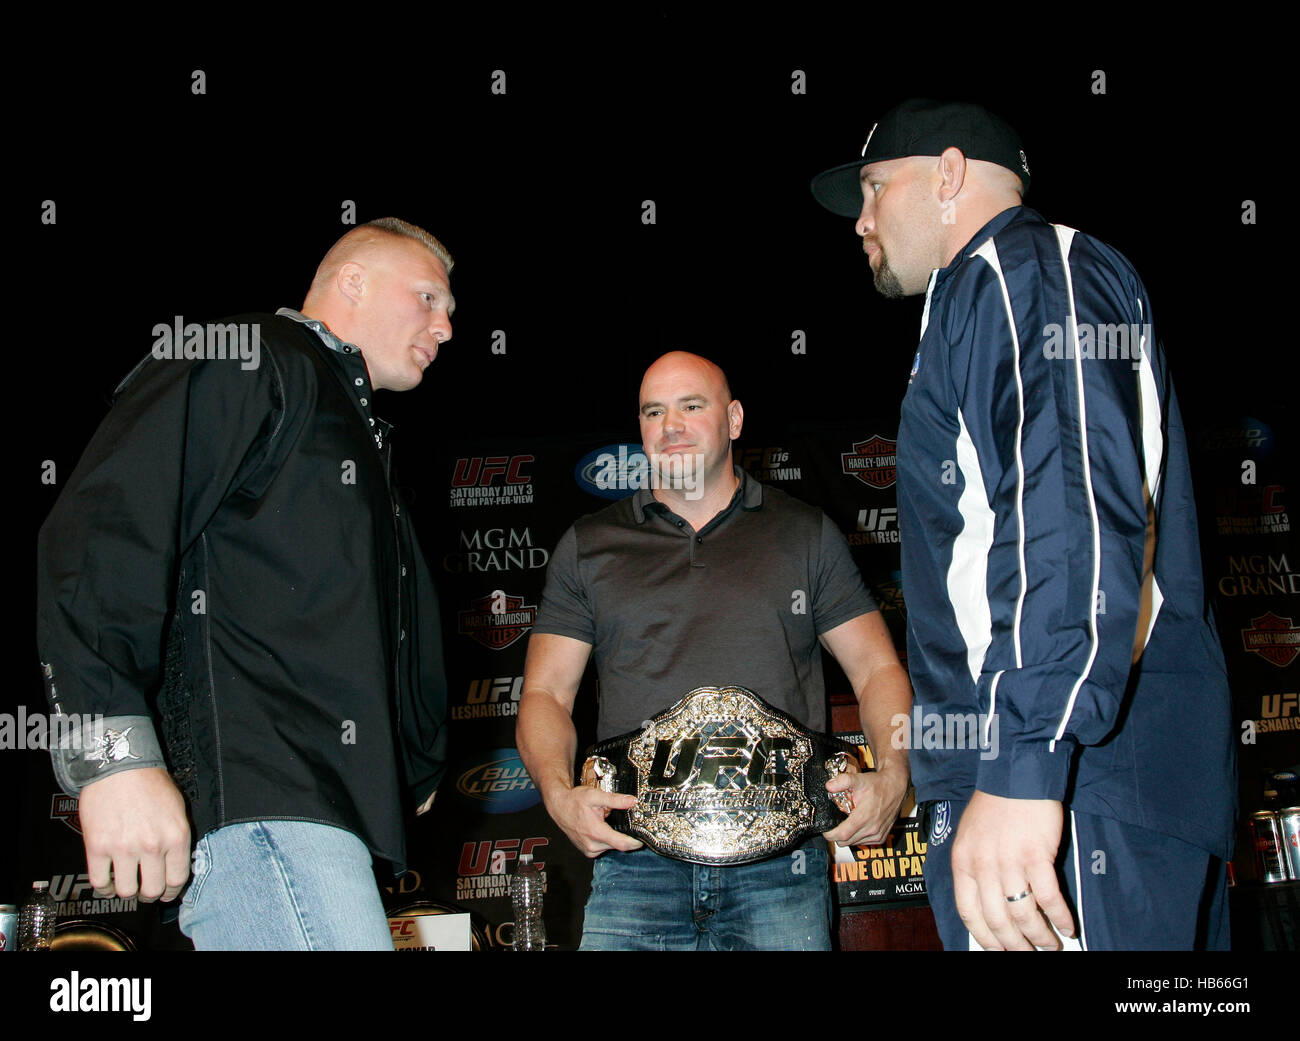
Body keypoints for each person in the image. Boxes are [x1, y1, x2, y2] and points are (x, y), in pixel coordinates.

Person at [811, 99, 1235, 950]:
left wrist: (1022, 765)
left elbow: (1070, 510)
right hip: (1039, 772)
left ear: (950, 174)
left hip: (1072, 781)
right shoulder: (983, 293)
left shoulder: (1023, 270)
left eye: (875, 186)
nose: (860, 219)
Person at [36, 217, 455, 950]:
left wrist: (412, 763)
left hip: (323, 814)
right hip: (268, 803)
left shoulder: (357, 432)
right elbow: (104, 527)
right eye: (428, 298)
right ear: (352, 281)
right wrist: (112, 756)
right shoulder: (251, 354)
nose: (445, 327)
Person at [516, 350, 912, 950]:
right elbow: (546, 693)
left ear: (734, 419)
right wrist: (557, 794)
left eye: (691, 406)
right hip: (634, 863)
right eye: (653, 411)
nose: (670, 426)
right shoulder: (590, 544)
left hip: (780, 869)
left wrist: (894, 773)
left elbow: (877, 667)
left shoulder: (805, 533)